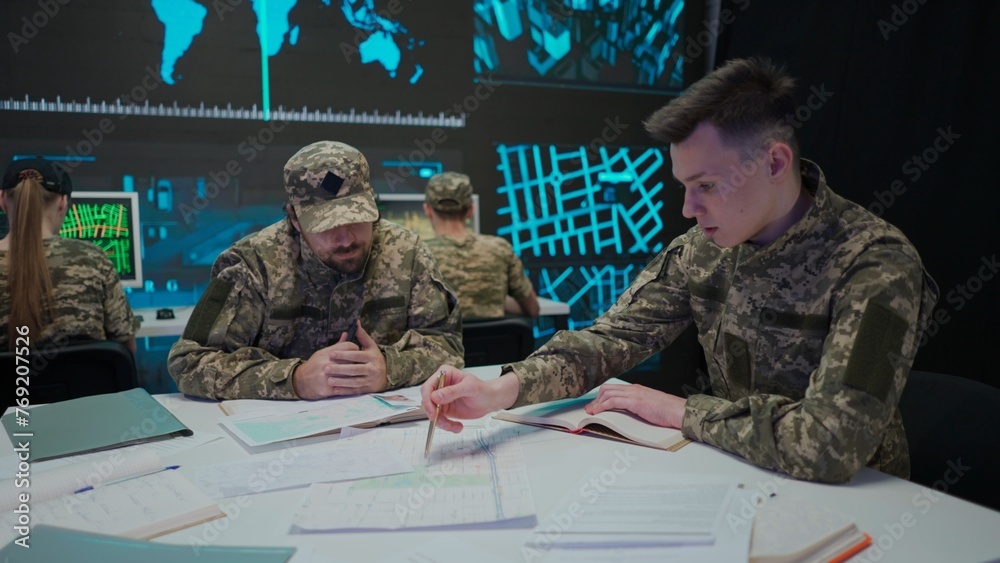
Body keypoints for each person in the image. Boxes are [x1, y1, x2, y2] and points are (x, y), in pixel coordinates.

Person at [421, 57, 940, 484]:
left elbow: (830, 444)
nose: (688, 208)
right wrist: (499, 391)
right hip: (736, 474)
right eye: (683, 186)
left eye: (707, 186)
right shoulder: (704, 248)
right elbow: (611, 338)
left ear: (776, 163)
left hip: (855, 505)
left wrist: (680, 411)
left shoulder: (876, 263)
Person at [168, 141, 463, 400]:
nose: (346, 239)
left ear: (372, 201)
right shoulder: (253, 265)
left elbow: (448, 344)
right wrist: (294, 379)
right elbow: (190, 362)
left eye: (357, 219)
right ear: (295, 218)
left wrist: (390, 369)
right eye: (326, 227)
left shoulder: (406, 251)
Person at [0, 158, 138, 353]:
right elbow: (126, 349)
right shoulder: (94, 259)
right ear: (63, 202)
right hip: (89, 384)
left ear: (2, 200)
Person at [422, 171, 539, 319]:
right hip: (495, 341)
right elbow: (533, 309)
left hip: (442, 342)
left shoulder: (418, 253)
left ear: (427, 210)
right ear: (471, 210)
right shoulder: (500, 248)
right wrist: (493, 299)